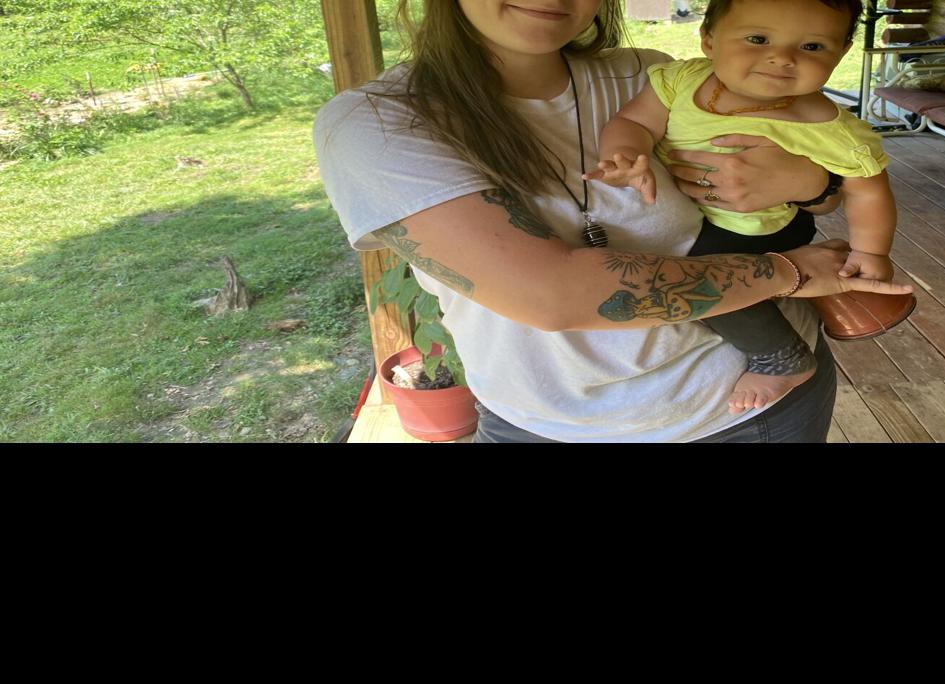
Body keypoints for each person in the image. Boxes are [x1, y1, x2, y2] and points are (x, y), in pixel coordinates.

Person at [312, 0, 912, 442]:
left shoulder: (649, 75)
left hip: (748, 413)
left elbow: (828, 187)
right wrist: (788, 272)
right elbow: (551, 295)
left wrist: (809, 183)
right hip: (548, 423)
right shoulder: (379, 122)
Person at [585, 0, 897, 414]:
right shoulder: (682, 81)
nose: (782, 57)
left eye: (812, 47)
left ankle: (781, 357)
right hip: (706, 219)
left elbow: (868, 190)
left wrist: (872, 253)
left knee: (701, 277)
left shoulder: (828, 126)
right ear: (708, 39)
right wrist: (624, 156)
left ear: (841, 52)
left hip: (757, 227)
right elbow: (634, 123)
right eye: (758, 39)